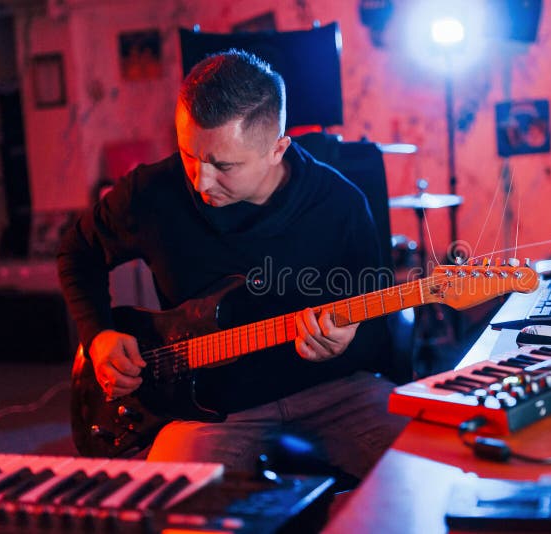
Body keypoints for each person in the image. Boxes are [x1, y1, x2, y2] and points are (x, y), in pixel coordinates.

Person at [58, 49, 407, 481]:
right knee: (174, 505)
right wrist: (98, 334)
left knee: (430, 470)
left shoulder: (341, 204)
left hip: (336, 394)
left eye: (223, 165)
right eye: (189, 155)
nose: (200, 181)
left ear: (277, 149)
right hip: (208, 413)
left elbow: (380, 330)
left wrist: (347, 342)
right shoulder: (152, 193)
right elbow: (76, 251)